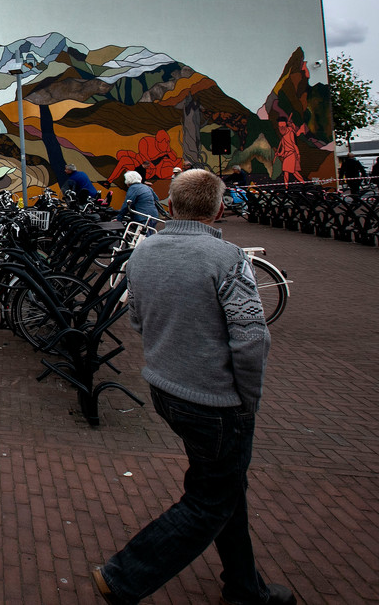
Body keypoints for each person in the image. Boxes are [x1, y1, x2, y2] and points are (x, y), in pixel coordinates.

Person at [93, 169, 293, 605]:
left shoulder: (142, 253)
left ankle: (245, 589)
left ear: (168, 205)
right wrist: (249, 398)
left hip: (167, 390)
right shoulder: (227, 258)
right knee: (210, 501)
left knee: (225, 489)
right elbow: (251, 338)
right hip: (216, 401)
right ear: (219, 210)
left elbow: (137, 319)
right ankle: (123, 576)